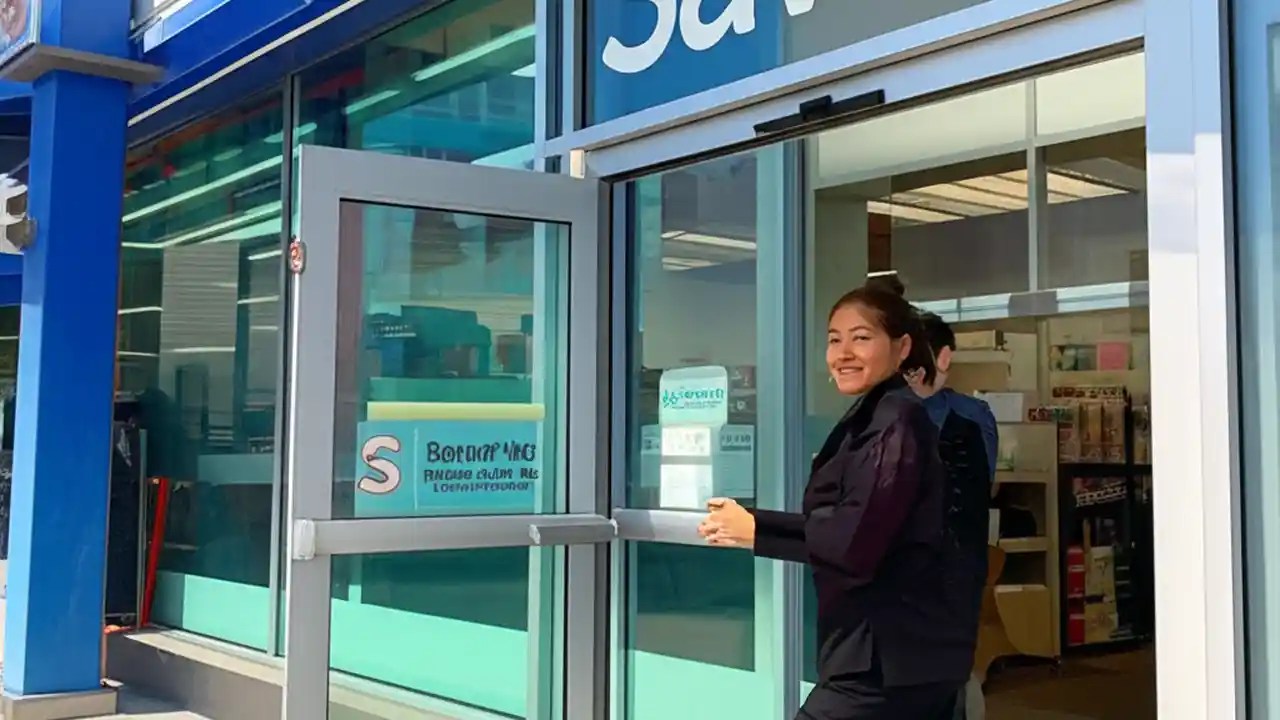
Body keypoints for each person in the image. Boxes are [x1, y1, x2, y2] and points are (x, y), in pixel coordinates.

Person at [699, 286, 979, 720]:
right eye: (834, 339)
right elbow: (854, 524)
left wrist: (756, 530)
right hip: (889, 653)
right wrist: (756, 526)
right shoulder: (871, 416)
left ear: (902, 347)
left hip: (886, 658)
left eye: (862, 338)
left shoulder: (895, 422)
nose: (844, 352)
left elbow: (855, 541)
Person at [906, 312, 998, 720]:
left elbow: (976, 490)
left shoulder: (970, 417)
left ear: (943, 358)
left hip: (951, 567)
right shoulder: (881, 412)